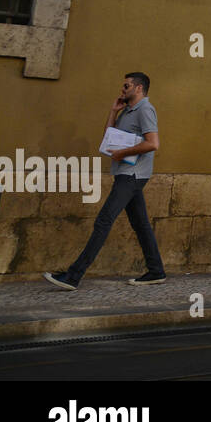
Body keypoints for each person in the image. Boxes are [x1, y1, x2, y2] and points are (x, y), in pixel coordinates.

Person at [44, 73, 166, 290]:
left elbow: (153, 143)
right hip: (124, 173)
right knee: (141, 224)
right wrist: (113, 112)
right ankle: (156, 271)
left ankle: (73, 276)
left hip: (133, 175)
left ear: (138, 88)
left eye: (126, 85)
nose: (123, 89)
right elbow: (108, 138)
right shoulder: (127, 111)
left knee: (103, 221)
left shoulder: (145, 109)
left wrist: (124, 153)